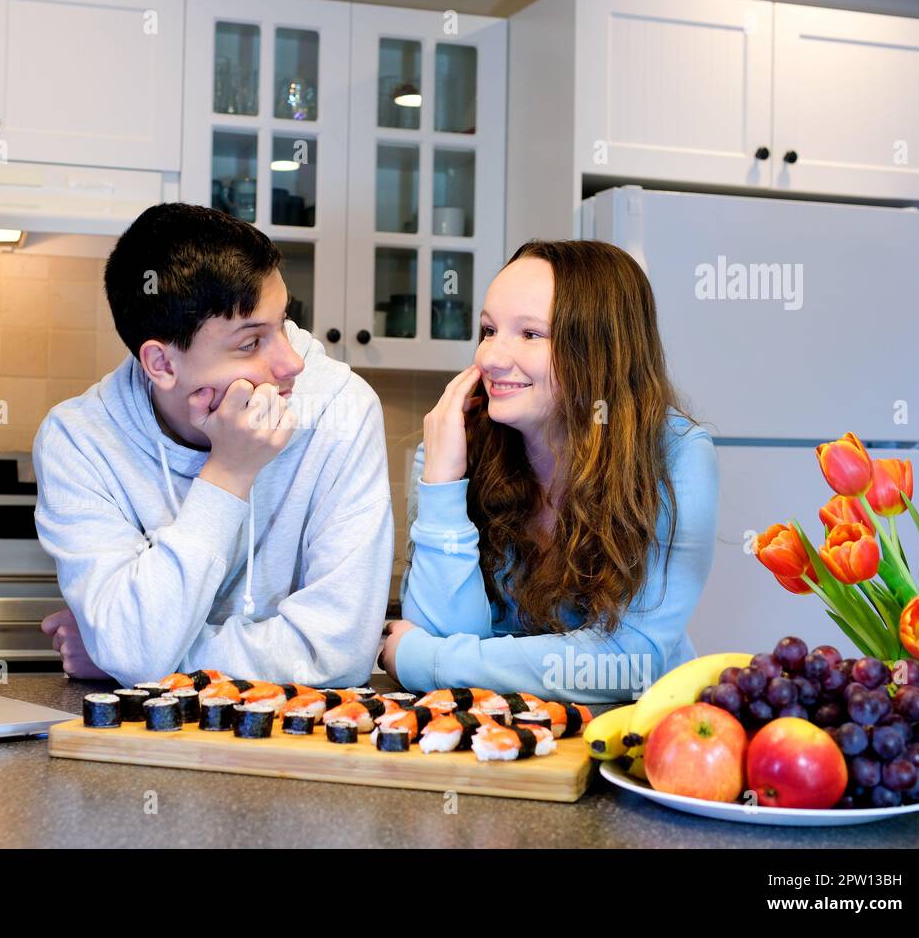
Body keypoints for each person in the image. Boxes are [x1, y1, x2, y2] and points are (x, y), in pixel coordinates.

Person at [35, 202, 393, 687]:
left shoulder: (342, 409)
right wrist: (228, 474)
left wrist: (137, 658)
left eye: (283, 324)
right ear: (161, 364)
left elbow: (336, 653)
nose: (291, 364)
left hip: (301, 743)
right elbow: (132, 646)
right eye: (251, 343)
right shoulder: (79, 441)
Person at [380, 239, 719, 702]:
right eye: (488, 329)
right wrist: (442, 483)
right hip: (491, 738)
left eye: (530, 334)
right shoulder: (452, 452)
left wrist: (429, 663)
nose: (492, 358)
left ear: (601, 350)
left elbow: (628, 661)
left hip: (628, 744)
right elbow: (444, 631)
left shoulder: (675, 456)